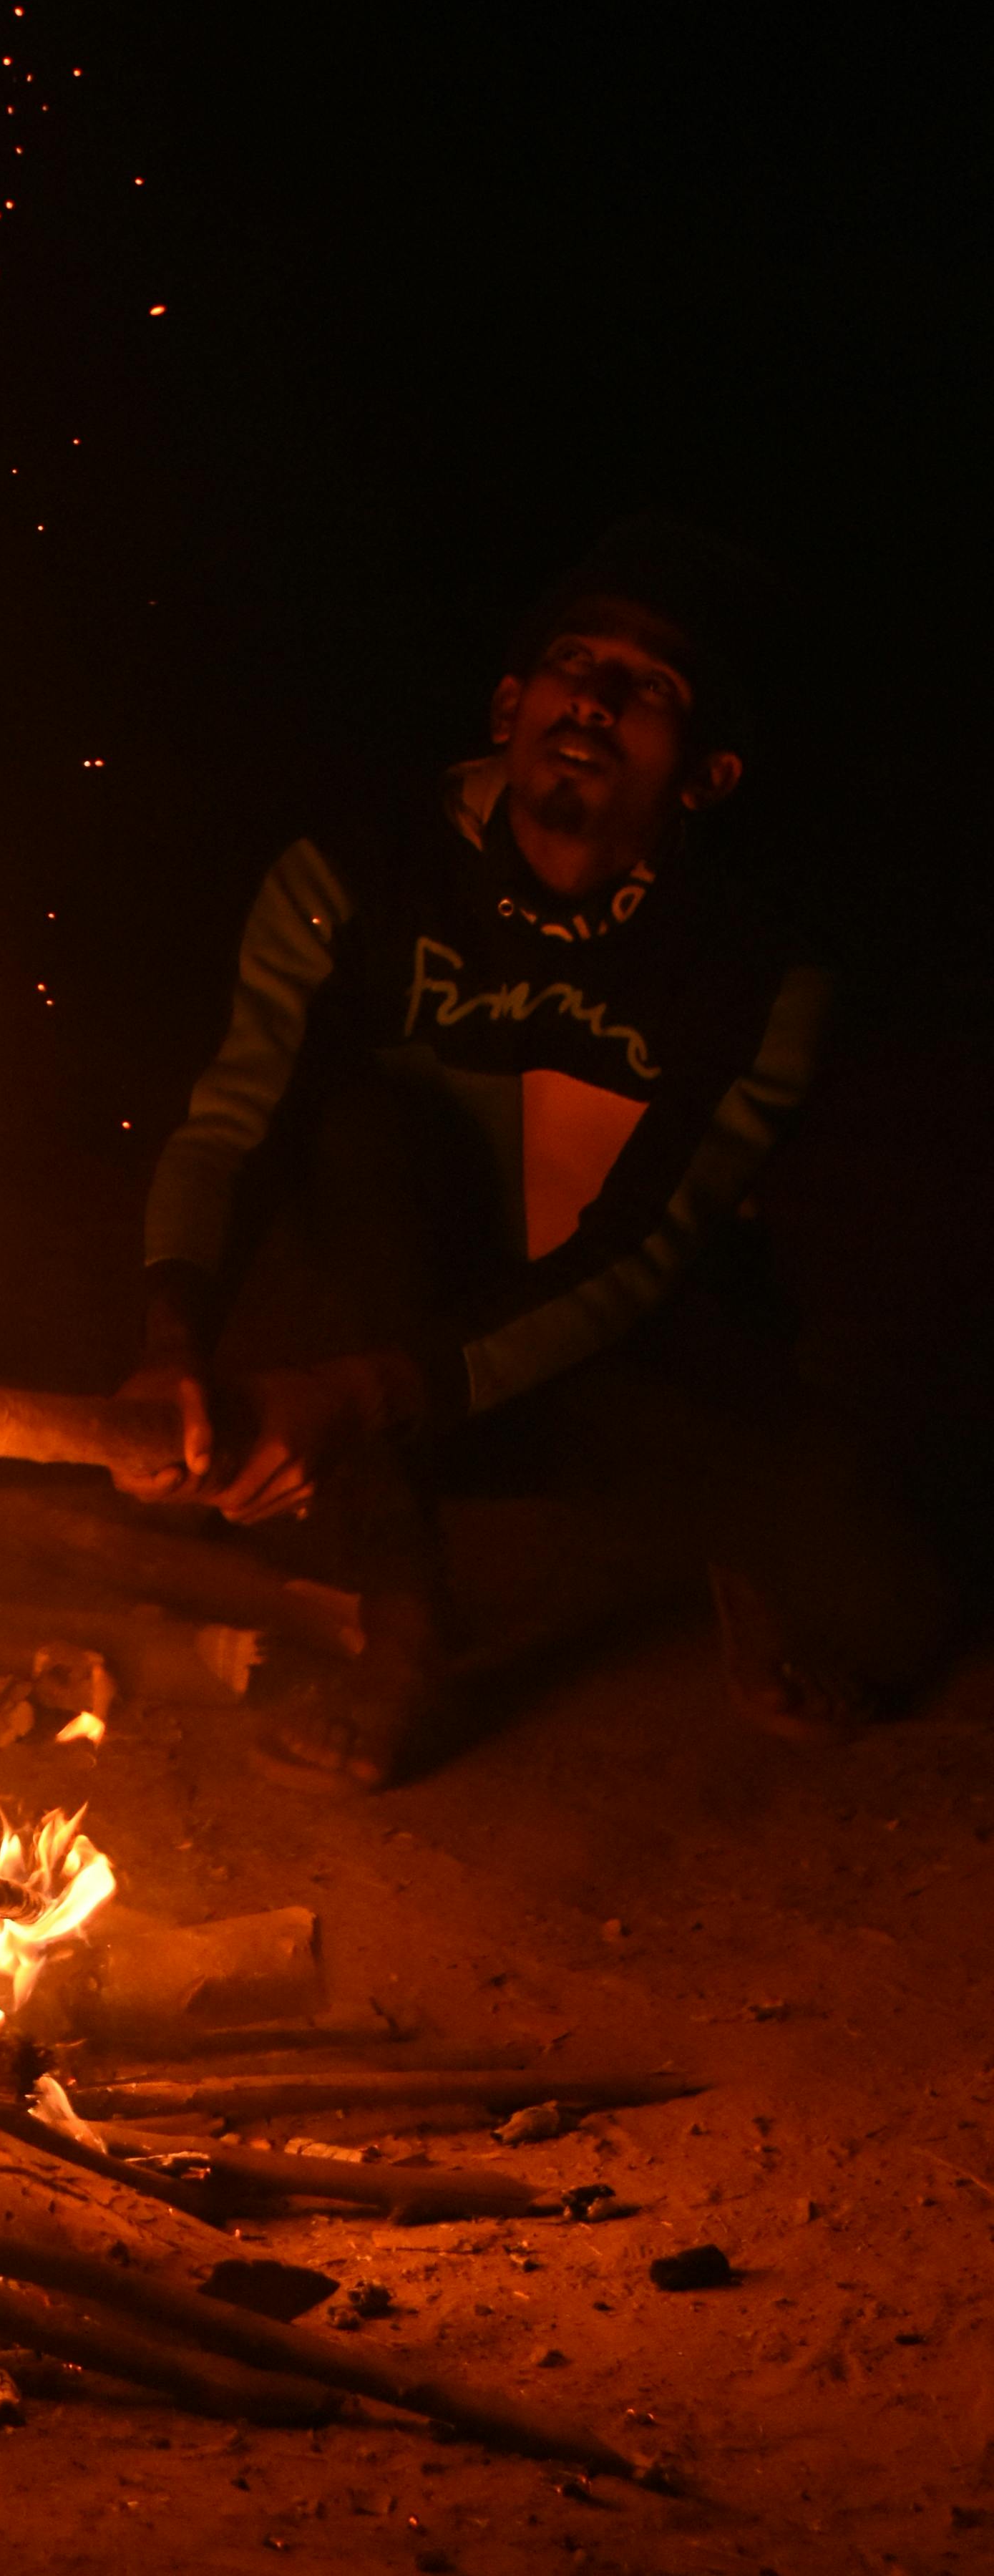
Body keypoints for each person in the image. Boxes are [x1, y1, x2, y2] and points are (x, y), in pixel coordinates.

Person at [111, 518, 952, 1783]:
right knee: (362, 1134)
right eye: (573, 662)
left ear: (706, 776)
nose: (597, 699)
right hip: (389, 1314)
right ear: (511, 706)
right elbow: (231, 1124)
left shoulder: (758, 969)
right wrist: (173, 1344)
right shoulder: (351, 879)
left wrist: (370, 1398)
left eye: (650, 688)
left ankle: (716, 1548)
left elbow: (643, 1254)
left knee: (897, 1624)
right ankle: (404, 1633)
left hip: (621, 1350)